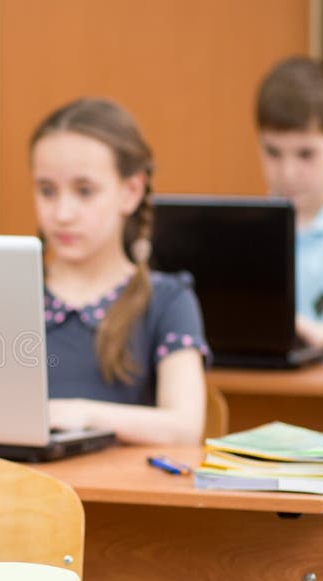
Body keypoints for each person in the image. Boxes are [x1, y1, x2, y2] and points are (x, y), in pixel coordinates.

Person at [30, 98, 208, 445]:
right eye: (47, 191)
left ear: (130, 192)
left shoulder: (168, 300)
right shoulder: (10, 294)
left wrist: (82, 413)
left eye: (85, 191)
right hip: (8, 491)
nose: (63, 213)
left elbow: (186, 426)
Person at [255, 56, 323, 356]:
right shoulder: (246, 230)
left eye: (306, 154)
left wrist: (318, 333)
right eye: (273, 153)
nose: (288, 173)